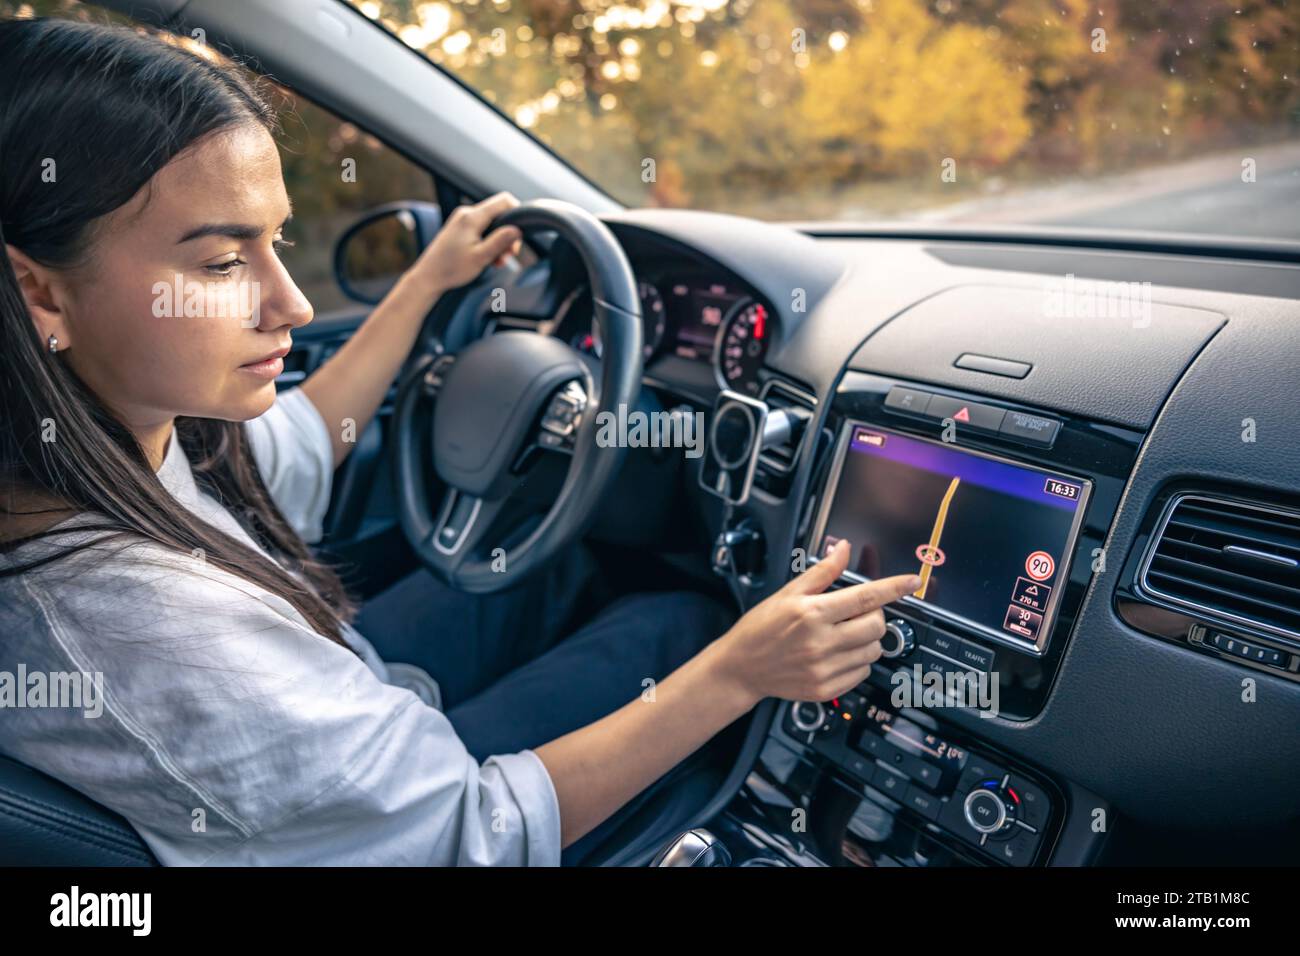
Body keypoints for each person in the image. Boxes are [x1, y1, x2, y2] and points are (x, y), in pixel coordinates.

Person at [0, 18, 918, 866]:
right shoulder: (147, 635)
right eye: (221, 262)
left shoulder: (105, 442)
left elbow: (305, 450)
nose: (294, 305)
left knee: (554, 570)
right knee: (682, 623)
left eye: (278, 241)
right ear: (42, 293)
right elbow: (475, 834)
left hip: (349, 710)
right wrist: (741, 670)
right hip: (399, 801)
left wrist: (429, 282)